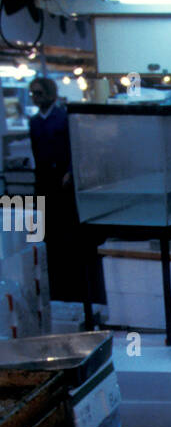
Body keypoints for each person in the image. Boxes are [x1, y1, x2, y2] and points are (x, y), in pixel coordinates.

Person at [28, 75, 83, 301]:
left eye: (39, 93)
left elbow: (74, 146)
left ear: (49, 93)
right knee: (48, 228)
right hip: (44, 179)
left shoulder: (62, 118)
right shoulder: (34, 122)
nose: (35, 98)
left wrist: (70, 171)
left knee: (66, 229)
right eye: (33, 94)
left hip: (62, 178)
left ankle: (72, 279)